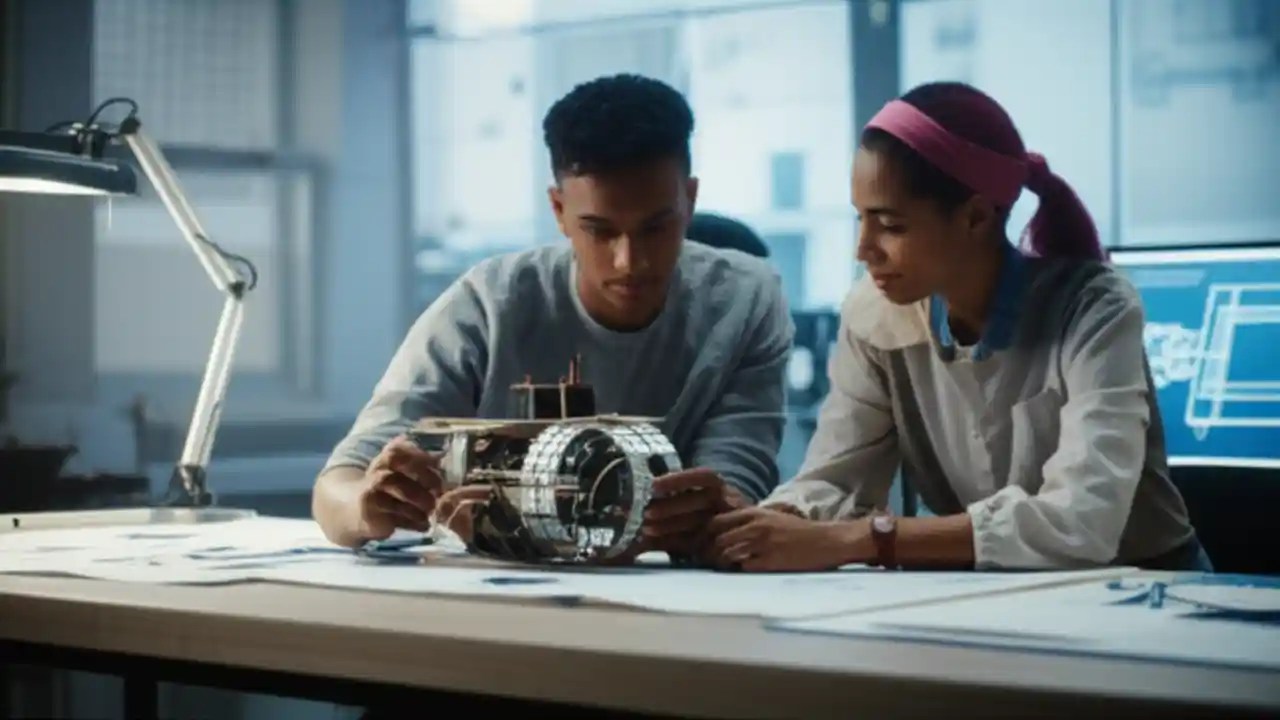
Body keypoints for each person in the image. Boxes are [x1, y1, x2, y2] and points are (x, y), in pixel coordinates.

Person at [706, 81, 1209, 573]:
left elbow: (1084, 520)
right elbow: (836, 478)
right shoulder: (875, 314)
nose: (863, 250)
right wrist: (769, 524)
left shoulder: (1094, 309)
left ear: (976, 217)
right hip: (1004, 597)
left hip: (1147, 586)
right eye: (860, 219)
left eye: (891, 225)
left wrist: (860, 540)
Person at [312, 73, 793, 562]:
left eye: (655, 228)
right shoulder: (489, 304)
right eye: (599, 231)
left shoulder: (748, 299)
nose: (630, 261)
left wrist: (714, 512)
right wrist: (364, 509)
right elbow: (339, 482)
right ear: (559, 210)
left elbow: (737, 485)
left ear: (689, 201)